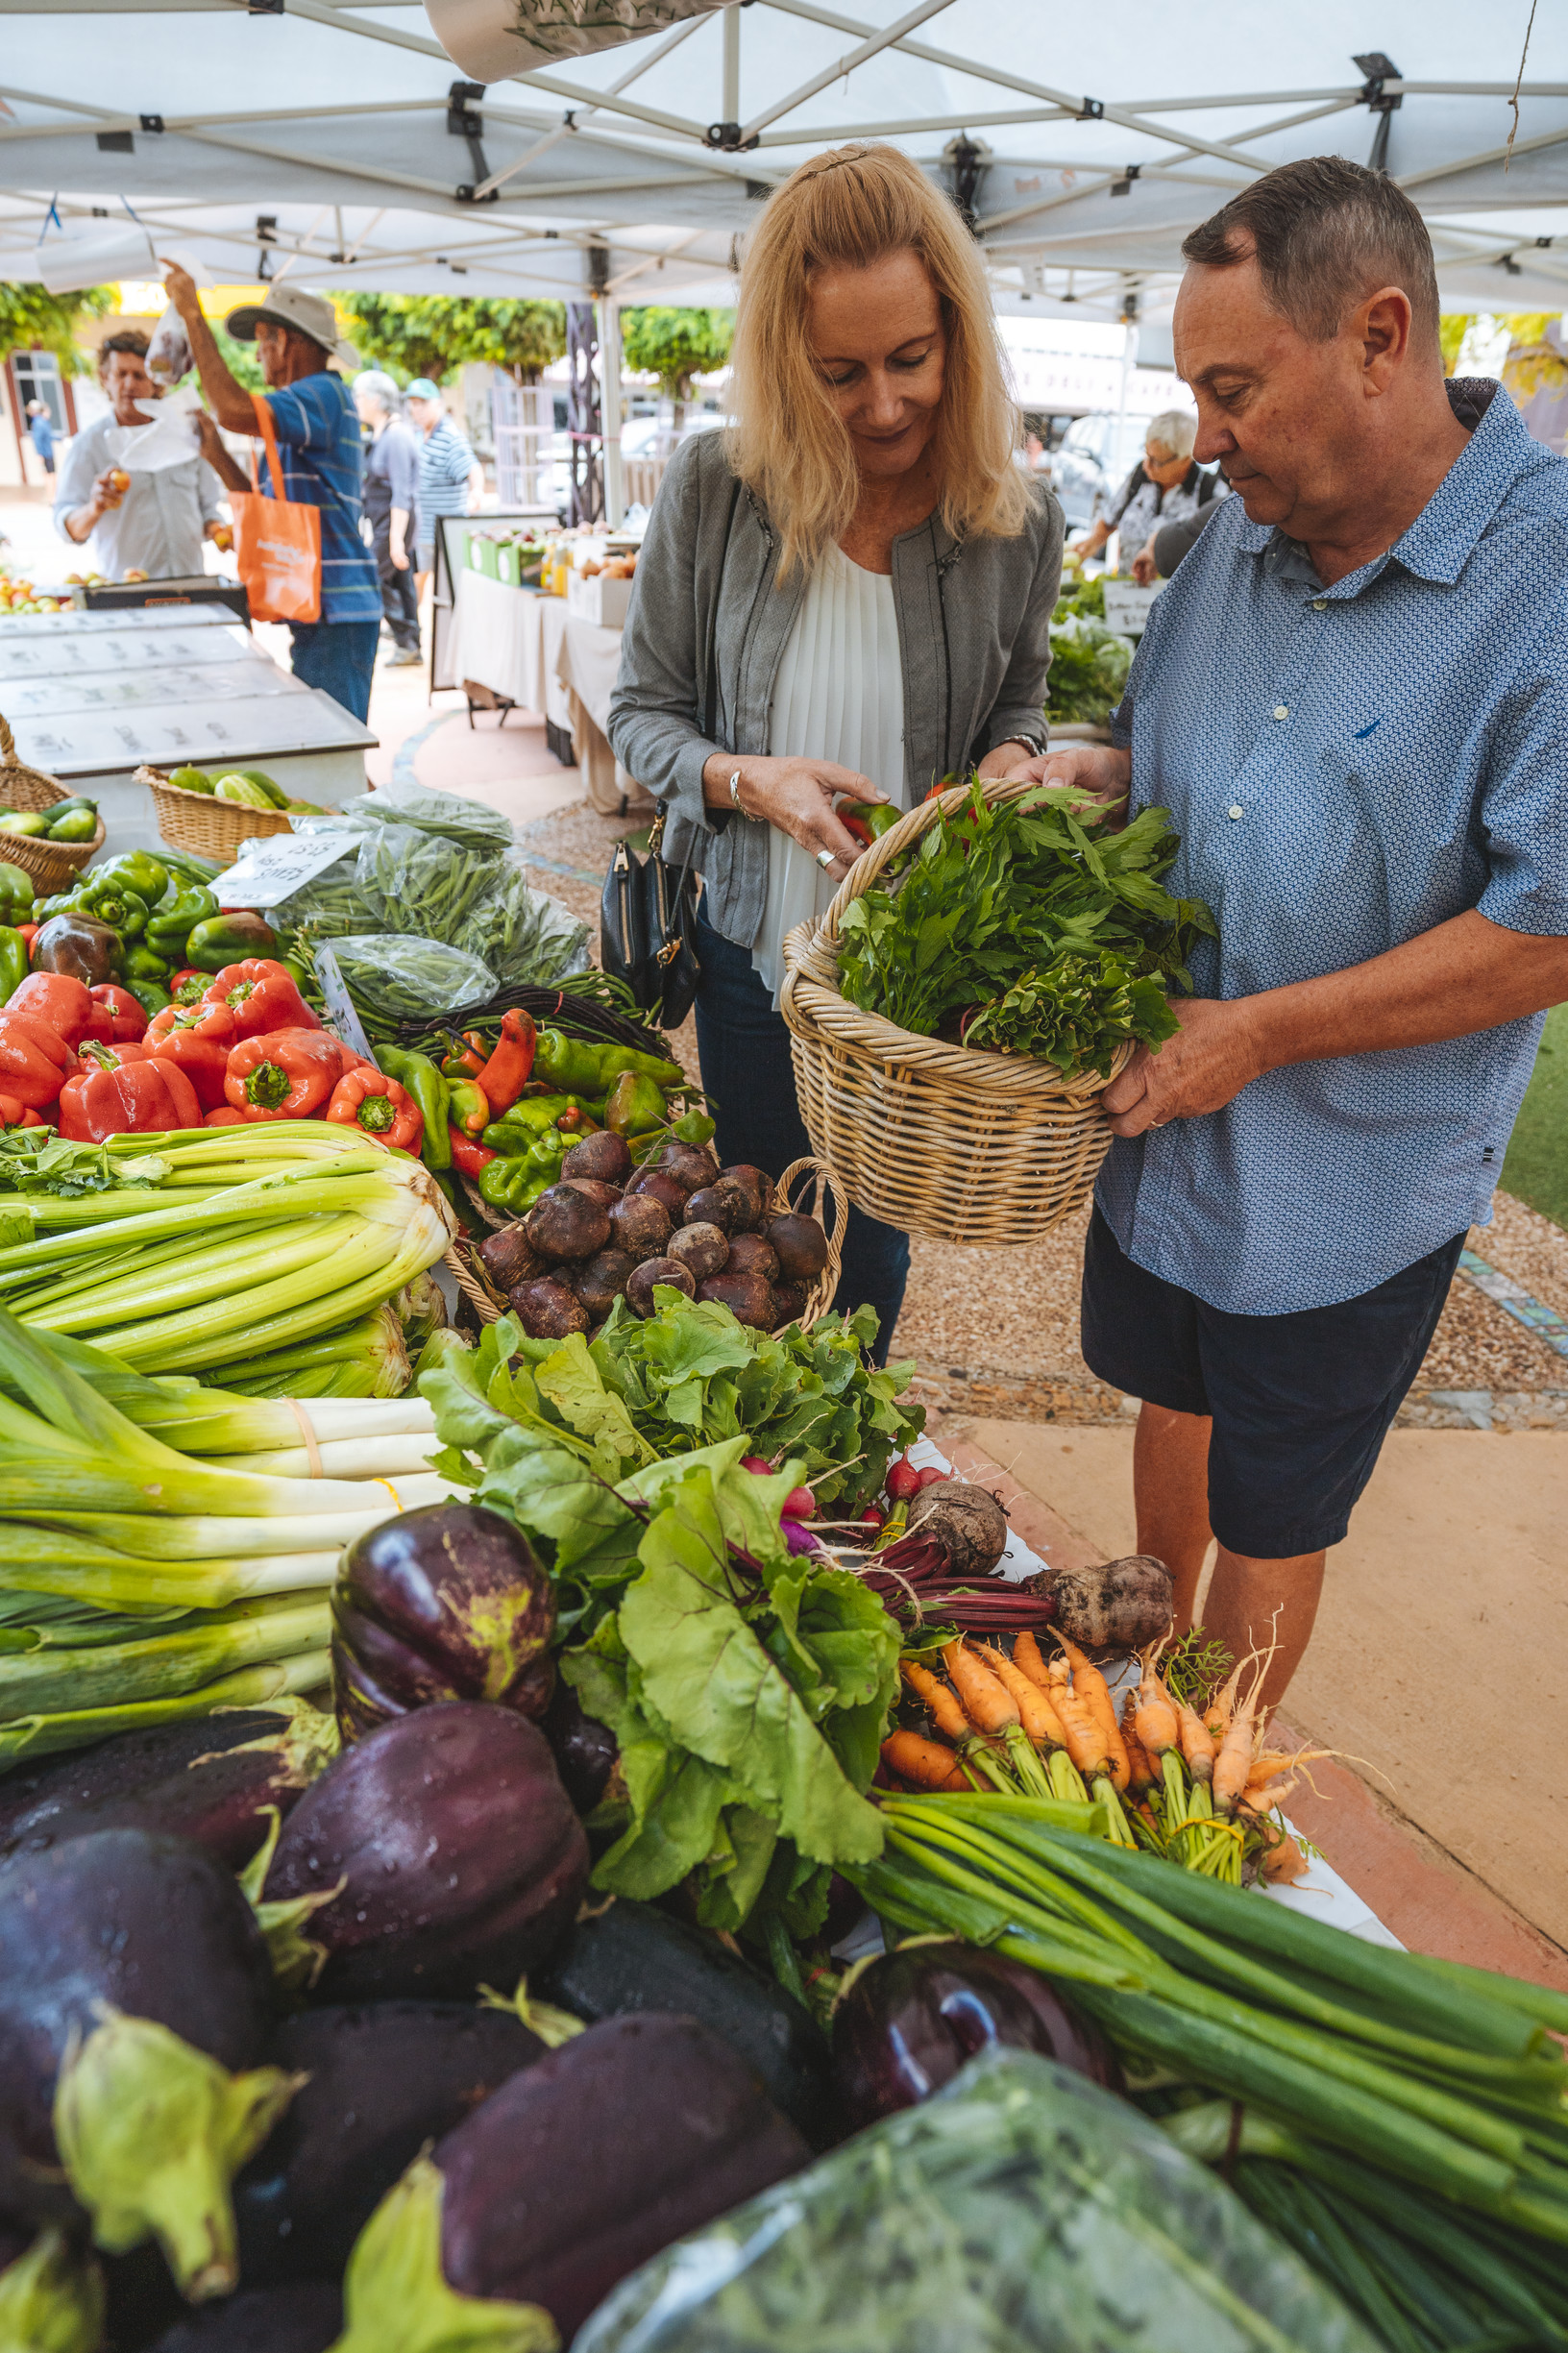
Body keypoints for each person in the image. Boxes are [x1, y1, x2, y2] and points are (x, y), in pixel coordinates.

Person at [1039, 156, 1568, 1709]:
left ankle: (1208, 1768)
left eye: (1231, 389)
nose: (1200, 437)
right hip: (1166, 1125)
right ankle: (1141, 1674)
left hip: (1347, 1173)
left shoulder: (1544, 587)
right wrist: (1095, 769)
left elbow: (1546, 929)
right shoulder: (1231, 543)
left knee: (1275, 1494)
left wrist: (1259, 1032)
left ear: (1379, 337)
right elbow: (1172, 750)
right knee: (1170, 1389)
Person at [609, 143, 1064, 1360]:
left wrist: (1016, 760)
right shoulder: (717, 488)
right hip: (755, 956)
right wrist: (750, 778)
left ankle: (837, 1494)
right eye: (838, 373)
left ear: (958, 336)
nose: (882, 404)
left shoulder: (1015, 521)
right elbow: (641, 716)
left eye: (912, 359)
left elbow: (1021, 695)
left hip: (905, 986)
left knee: (871, 1254)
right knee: (752, 1241)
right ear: (781, 365)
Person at [159, 270, 381, 724]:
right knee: (330, 741)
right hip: (323, 613)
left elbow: (231, 410)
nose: (258, 354)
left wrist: (191, 314)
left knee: (334, 747)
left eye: (261, 341)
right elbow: (265, 512)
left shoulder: (322, 394)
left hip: (338, 613)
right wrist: (217, 455)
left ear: (283, 341)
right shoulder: (297, 413)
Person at [55, 331, 231, 579]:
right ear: (104, 378)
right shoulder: (89, 445)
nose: (129, 384)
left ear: (156, 382)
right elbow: (68, 528)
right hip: (128, 595)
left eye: (139, 375)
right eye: (120, 374)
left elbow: (208, 509)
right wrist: (95, 507)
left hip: (190, 586)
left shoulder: (185, 434)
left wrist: (219, 532)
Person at [1073, 410, 1223, 581]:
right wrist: (1090, 544)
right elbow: (1110, 519)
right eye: (1146, 455)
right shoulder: (1139, 477)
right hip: (1125, 594)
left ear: (1185, 459)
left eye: (1157, 461)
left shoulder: (1212, 492)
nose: (1147, 466)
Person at [355, 370, 422, 668]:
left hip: (394, 525)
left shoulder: (396, 436)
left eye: (360, 396)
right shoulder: (382, 434)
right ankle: (409, 644)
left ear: (376, 400)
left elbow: (402, 492)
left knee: (371, 575)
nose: (356, 402)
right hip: (385, 523)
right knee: (400, 582)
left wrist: (395, 539)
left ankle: (405, 636)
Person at [405, 379, 484, 601]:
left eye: (423, 403)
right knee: (418, 582)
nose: (417, 409)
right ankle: (415, 630)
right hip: (423, 531)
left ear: (438, 404)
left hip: (446, 531)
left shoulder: (450, 435)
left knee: (450, 591)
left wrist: (476, 494)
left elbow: (473, 470)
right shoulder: (418, 436)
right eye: (413, 403)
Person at [25, 401, 55, 477]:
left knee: (49, 472)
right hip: (46, 452)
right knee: (49, 473)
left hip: (47, 452)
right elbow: (37, 439)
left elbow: (48, 436)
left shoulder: (41, 421)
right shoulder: (39, 422)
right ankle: (50, 488)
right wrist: (40, 453)